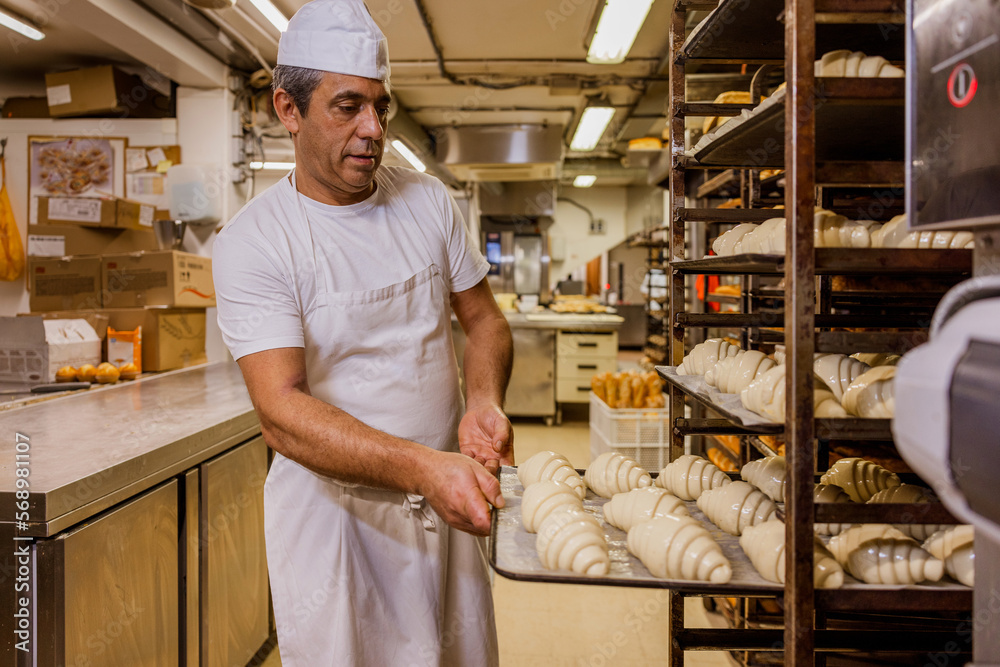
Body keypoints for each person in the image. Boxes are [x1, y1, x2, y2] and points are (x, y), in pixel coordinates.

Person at [212, 1, 514, 664]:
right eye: (347, 106)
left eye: (382, 106)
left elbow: (484, 318)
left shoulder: (427, 203)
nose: (373, 129)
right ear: (287, 110)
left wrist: (484, 399)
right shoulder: (255, 243)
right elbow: (282, 412)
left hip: (445, 507)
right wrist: (421, 467)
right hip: (336, 529)